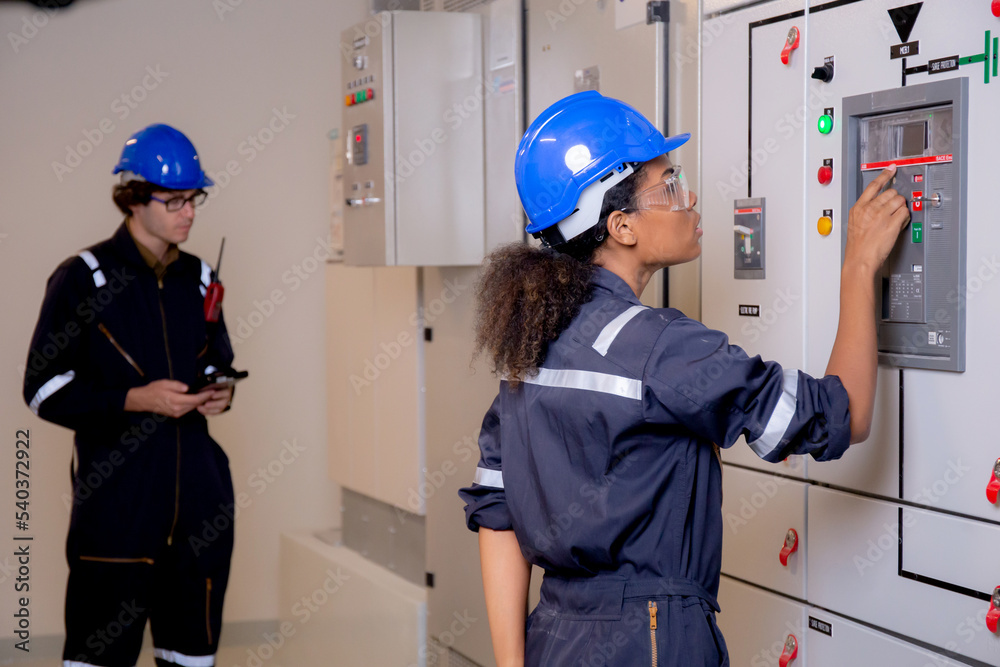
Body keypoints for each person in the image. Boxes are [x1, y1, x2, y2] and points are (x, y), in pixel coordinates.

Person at [459, 91, 909, 666]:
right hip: (651, 640)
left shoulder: (530, 343)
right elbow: (839, 415)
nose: (689, 198)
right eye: (668, 185)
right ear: (620, 225)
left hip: (554, 638)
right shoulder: (659, 345)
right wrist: (860, 266)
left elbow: (496, 511)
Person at [23, 123, 239, 667]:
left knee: (191, 656)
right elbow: (44, 390)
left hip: (198, 507)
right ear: (133, 199)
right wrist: (133, 400)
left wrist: (219, 392)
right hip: (118, 506)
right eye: (174, 201)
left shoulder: (200, 277)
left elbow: (217, 361)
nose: (189, 212)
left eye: (195, 199)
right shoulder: (83, 278)